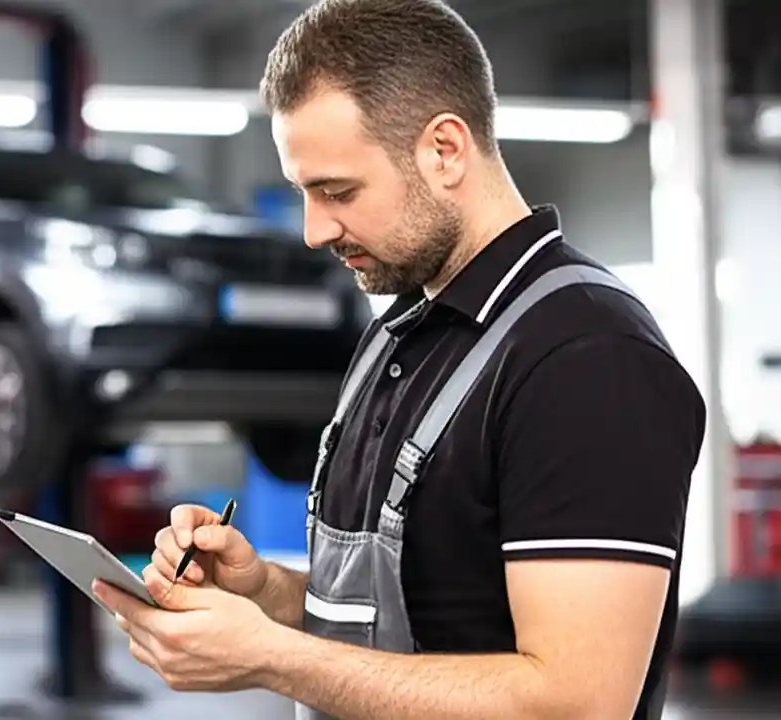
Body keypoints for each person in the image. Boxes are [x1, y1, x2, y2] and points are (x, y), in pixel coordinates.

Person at [90, 1, 708, 718]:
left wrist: (269, 657)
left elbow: (575, 704)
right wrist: (266, 596)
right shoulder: (397, 336)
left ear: (445, 150)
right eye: (303, 193)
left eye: (337, 191)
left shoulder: (586, 356)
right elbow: (409, 625)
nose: (314, 230)